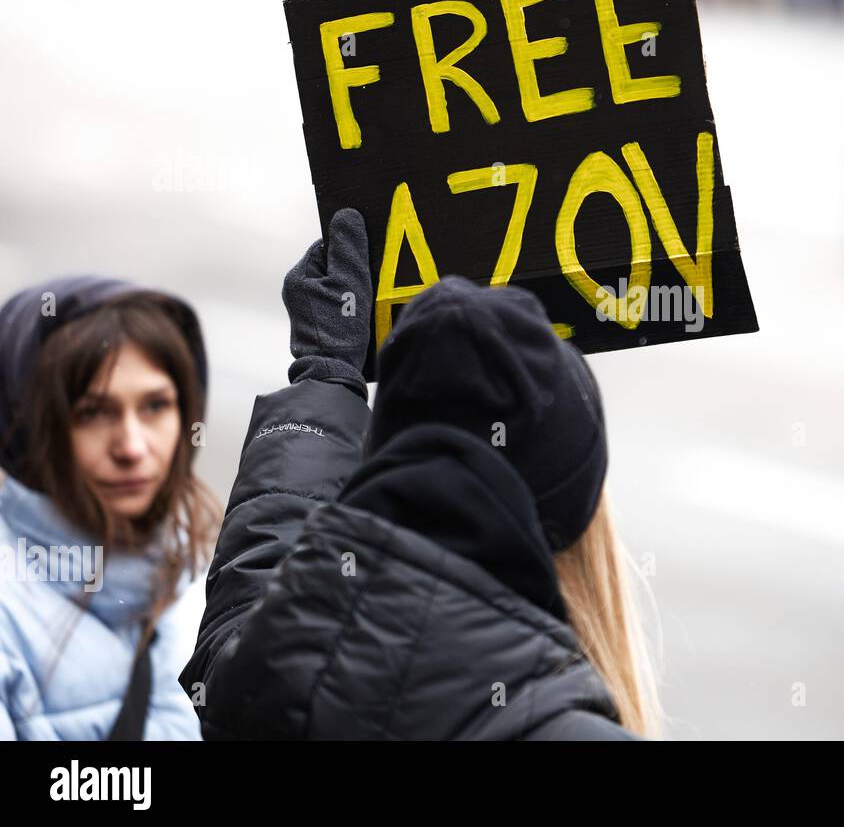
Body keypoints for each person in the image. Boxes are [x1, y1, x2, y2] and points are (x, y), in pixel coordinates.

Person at [181, 209, 661, 739]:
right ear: (575, 523)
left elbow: (255, 574)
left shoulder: (253, 669)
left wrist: (324, 376)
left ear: (383, 460)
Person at [0, 278, 219, 740]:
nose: (132, 447)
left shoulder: (202, 570)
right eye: (94, 413)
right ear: (29, 429)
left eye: (156, 406)